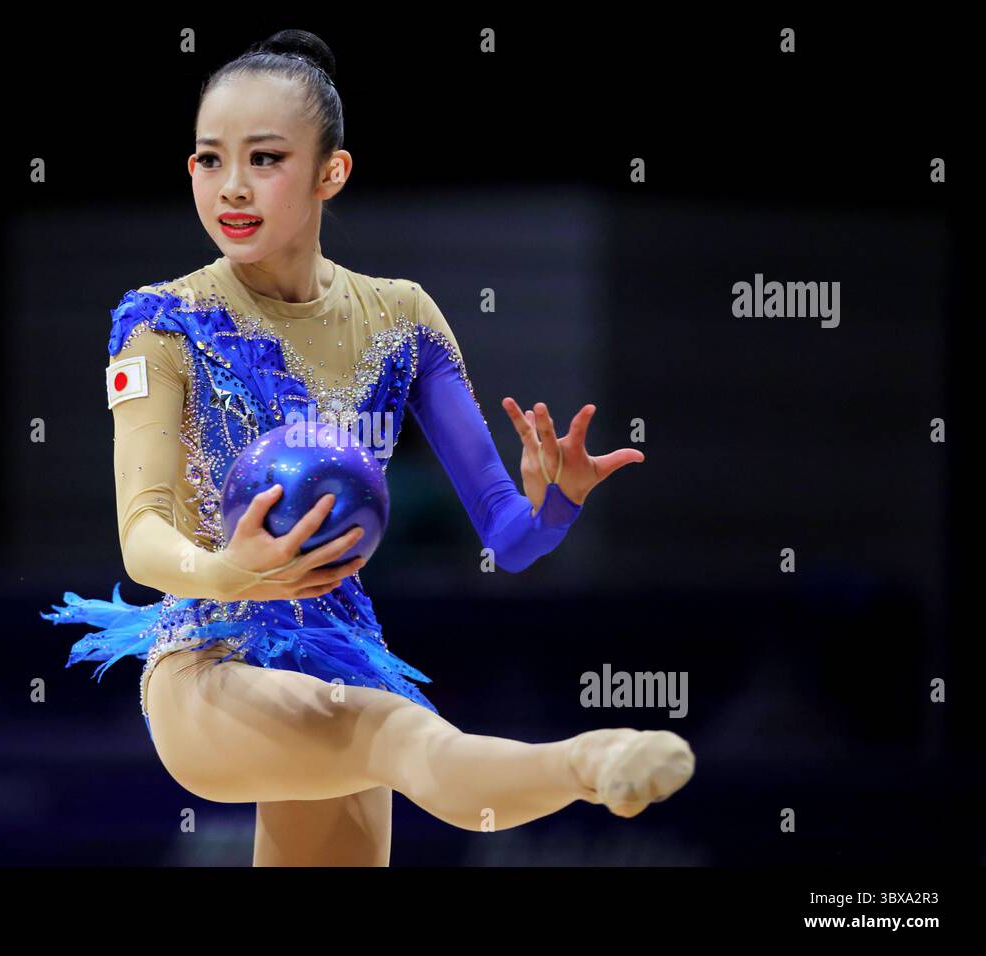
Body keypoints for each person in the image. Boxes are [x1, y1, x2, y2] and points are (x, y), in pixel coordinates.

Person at [41, 29, 695, 866]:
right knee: (396, 731)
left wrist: (555, 501)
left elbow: (510, 536)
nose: (231, 187)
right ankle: (590, 761)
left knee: (375, 735)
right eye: (210, 159)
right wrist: (231, 571)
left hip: (342, 650)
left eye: (265, 158)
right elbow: (143, 538)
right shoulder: (161, 323)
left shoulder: (403, 318)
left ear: (331, 173)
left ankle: (587, 765)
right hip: (207, 660)